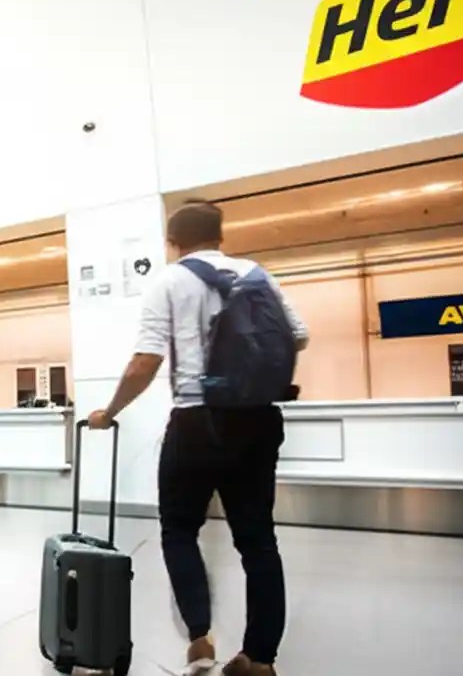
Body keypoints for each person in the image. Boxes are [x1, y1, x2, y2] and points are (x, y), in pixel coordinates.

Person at [87, 199, 308, 676]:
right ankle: (261, 659)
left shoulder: (169, 281)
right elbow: (300, 335)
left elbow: (145, 362)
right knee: (258, 541)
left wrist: (110, 411)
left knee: (180, 530)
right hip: (259, 420)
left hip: (197, 422)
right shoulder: (257, 274)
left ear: (173, 242)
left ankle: (201, 642)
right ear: (220, 235)